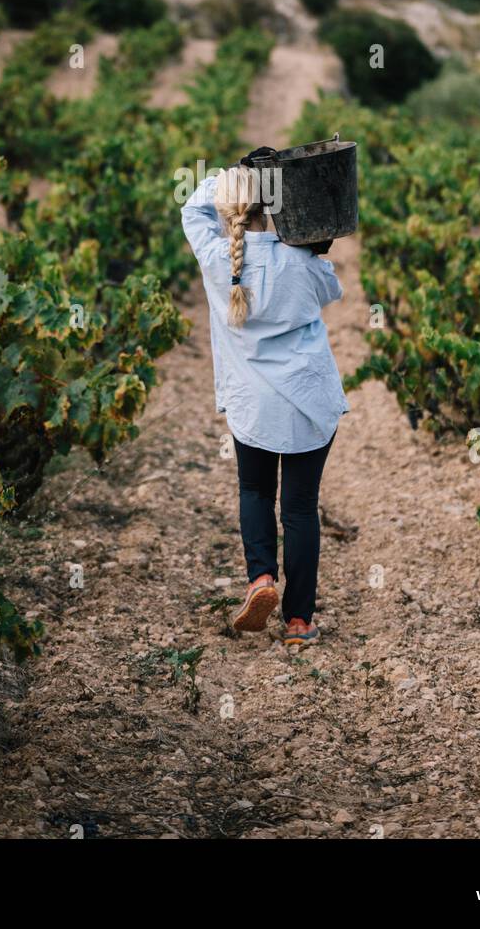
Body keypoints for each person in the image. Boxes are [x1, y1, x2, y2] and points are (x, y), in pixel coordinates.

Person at [181, 160, 349, 647]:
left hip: (252, 406)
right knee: (300, 508)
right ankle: (298, 623)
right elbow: (332, 288)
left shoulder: (218, 260)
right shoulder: (297, 260)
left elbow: (194, 209)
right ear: (269, 207)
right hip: (309, 403)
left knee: (255, 492)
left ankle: (261, 580)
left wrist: (233, 174)